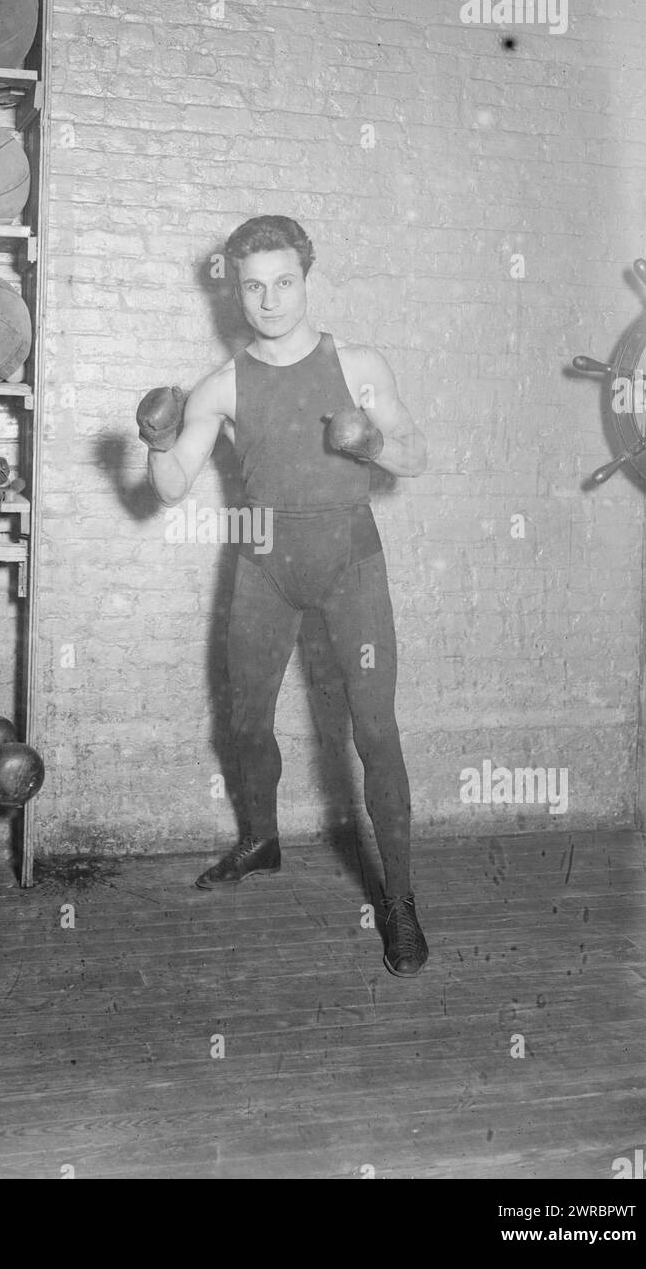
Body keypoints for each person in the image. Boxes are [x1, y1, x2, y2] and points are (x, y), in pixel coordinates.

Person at [136, 216, 429, 976]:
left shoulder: (357, 364)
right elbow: (168, 492)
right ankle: (261, 839)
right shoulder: (223, 384)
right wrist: (155, 441)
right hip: (263, 562)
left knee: (374, 731)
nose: (268, 301)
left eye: (283, 283)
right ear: (233, 289)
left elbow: (417, 455)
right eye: (252, 286)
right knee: (243, 715)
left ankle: (396, 899)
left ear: (307, 277)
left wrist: (369, 445)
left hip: (348, 559)